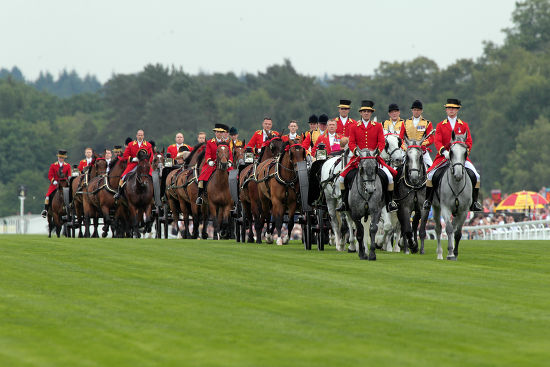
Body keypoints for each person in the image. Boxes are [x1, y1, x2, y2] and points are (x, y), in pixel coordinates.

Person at [336, 100, 398, 212]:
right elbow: (351, 143)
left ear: (371, 113)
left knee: (389, 178)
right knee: (341, 177)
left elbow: (381, 142)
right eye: (364, 111)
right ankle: (344, 203)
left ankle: (389, 203)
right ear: (361, 113)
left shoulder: (378, 126)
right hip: (358, 159)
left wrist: (377, 152)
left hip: (375, 159)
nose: (366, 113)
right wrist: (356, 152)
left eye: (368, 111)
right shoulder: (354, 127)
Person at [423, 98, 483, 211]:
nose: (451, 110)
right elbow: (437, 141)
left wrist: (464, 154)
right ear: (446, 110)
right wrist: (443, 151)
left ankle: (474, 202)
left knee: (477, 176)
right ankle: (428, 200)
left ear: (457, 110)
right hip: (443, 157)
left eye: (453, 108)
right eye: (449, 108)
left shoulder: (463, 125)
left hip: (461, 158)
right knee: (430, 176)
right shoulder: (441, 125)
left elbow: (469, 141)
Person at [196, 124, 234, 205]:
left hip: (225, 164)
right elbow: (207, 154)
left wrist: (230, 162)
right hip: (212, 164)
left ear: (223, 133)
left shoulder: (227, 142)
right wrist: (209, 161)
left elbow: (230, 154)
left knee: (234, 178)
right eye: (217, 132)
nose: (219, 133)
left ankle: (235, 197)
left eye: (221, 132)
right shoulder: (210, 142)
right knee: (203, 177)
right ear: (215, 133)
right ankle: (200, 196)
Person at [114, 129, 154, 200]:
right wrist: (132, 159)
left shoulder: (148, 145)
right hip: (133, 165)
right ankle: (119, 193)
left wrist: (144, 162)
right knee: (123, 177)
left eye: (141, 135)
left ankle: (156, 195)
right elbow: (125, 156)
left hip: (144, 166)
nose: (140, 137)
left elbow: (151, 157)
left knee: (154, 178)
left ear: (143, 136)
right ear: (136, 135)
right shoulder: (131, 144)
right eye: (139, 135)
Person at [399, 100, 434, 168]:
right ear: (412, 110)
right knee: (396, 169)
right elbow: (400, 138)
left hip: (421, 150)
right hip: (407, 149)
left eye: (418, 110)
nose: (416, 112)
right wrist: (405, 148)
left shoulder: (427, 123)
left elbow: (431, 139)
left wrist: (421, 144)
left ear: (421, 111)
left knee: (432, 168)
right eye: (415, 110)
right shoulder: (405, 122)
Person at [41, 150, 72, 217]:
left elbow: (69, 175)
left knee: (71, 195)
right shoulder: (53, 165)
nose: (61, 159)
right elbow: (50, 175)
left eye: (62, 158)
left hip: (64, 184)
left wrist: (67, 181)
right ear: (58, 158)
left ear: (64, 158)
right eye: (60, 157)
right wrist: (53, 180)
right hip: (55, 184)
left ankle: (70, 208)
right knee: (47, 196)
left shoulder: (68, 166)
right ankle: (46, 210)